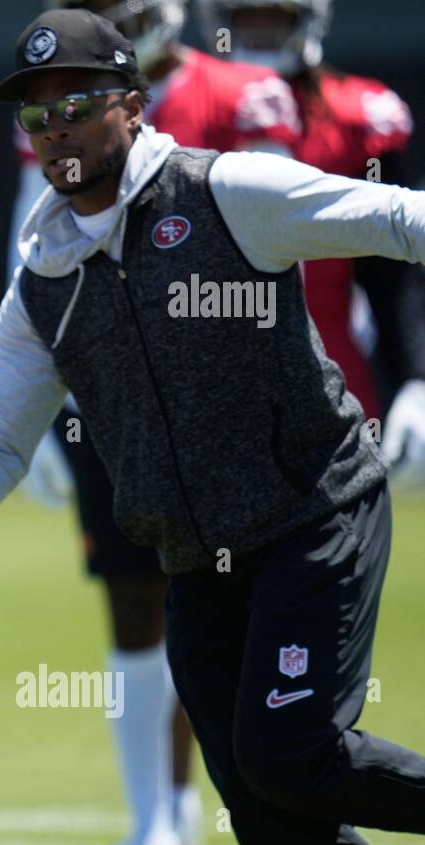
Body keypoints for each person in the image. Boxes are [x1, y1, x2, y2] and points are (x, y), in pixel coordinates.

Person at [0, 7, 425, 845]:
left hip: (313, 516)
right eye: (36, 113)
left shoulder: (229, 192)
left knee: (288, 753)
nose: (57, 128)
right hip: (196, 563)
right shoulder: (42, 278)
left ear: (133, 102)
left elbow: (397, 219)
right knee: (265, 817)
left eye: (77, 101)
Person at [7, 0, 304, 845]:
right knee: (137, 602)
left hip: (236, 397)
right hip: (115, 392)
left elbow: (282, 239)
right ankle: (159, 820)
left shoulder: (243, 95)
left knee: (256, 610)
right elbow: (33, 259)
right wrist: (42, 400)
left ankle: (273, 809)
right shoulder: (56, 100)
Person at [196, 0, 425, 489]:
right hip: (205, 384)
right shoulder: (186, 103)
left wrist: (416, 376)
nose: (260, 31)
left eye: (274, 16)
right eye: (246, 17)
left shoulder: (357, 115)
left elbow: (394, 275)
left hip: (329, 377)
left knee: (334, 551)